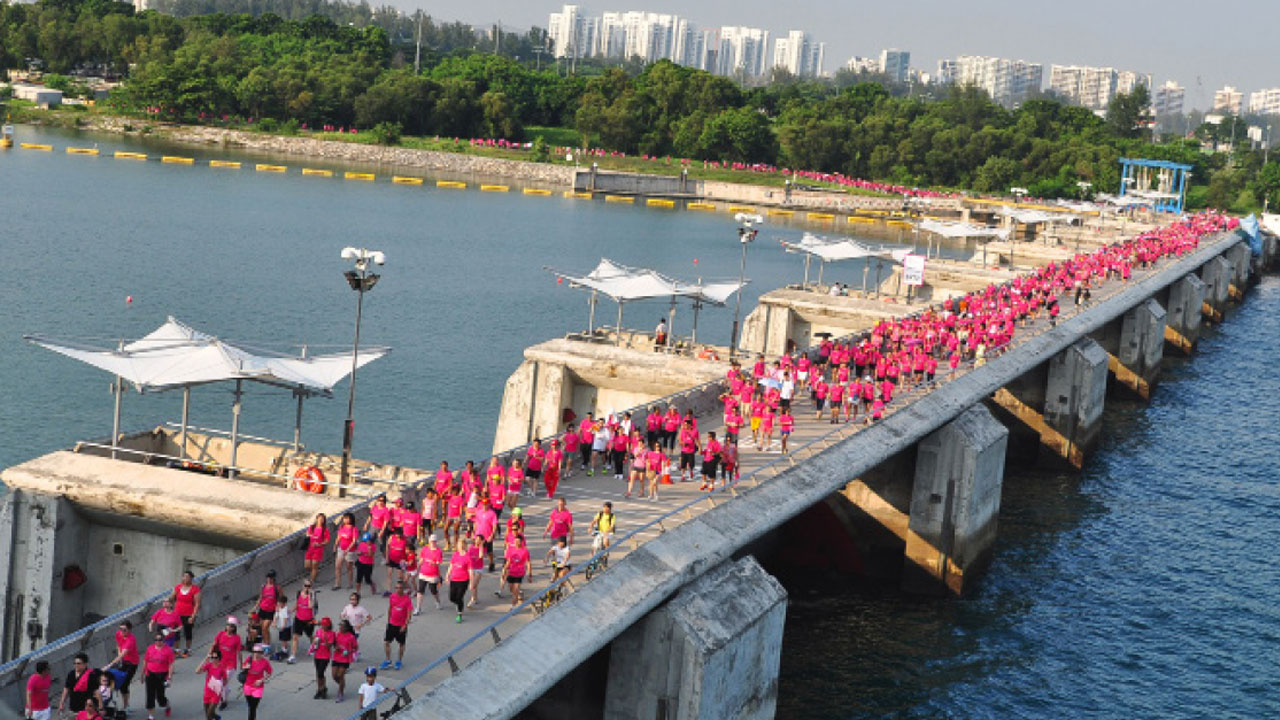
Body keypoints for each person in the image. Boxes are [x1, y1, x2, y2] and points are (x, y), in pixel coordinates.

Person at [103, 620, 139, 715]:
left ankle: (126, 706)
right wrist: (119, 655)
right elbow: (118, 646)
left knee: (124, 684)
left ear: (129, 630)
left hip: (132, 663)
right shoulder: (118, 634)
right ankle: (106, 702)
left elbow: (122, 655)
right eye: (121, 629)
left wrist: (109, 665)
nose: (122, 631)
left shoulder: (131, 640)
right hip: (123, 661)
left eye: (124, 630)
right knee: (113, 681)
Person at [169, 571, 202, 658]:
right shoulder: (178, 587)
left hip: (188, 614)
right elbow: (172, 598)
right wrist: (169, 601)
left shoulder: (195, 589)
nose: (185, 579)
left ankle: (188, 649)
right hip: (177, 613)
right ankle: (176, 650)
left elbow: (197, 604)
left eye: (187, 577)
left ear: (191, 578)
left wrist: (193, 616)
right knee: (176, 631)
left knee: (188, 632)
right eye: (184, 577)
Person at [381, 581, 412, 670]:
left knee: (401, 644)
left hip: (401, 625)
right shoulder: (392, 596)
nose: (398, 590)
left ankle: (399, 661)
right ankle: (388, 660)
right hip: (392, 624)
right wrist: (388, 620)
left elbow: (409, 613)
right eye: (396, 588)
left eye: (400, 588)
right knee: (387, 642)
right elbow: (390, 608)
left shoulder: (407, 599)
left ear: (403, 589)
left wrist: (405, 625)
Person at [211, 617, 242, 710]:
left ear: (234, 628)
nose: (229, 627)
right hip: (220, 663)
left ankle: (224, 701)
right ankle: (226, 691)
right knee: (217, 682)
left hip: (231, 665)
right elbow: (214, 645)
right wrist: (210, 655)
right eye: (228, 625)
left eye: (231, 626)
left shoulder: (237, 638)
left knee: (223, 682)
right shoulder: (220, 634)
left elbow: (239, 652)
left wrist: (241, 664)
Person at [141, 633, 174, 720]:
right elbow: (145, 661)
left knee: (160, 697)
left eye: (160, 640)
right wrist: (142, 674)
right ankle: (151, 717)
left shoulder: (168, 651)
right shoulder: (150, 648)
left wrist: (169, 677)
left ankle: (166, 705)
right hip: (150, 674)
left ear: (163, 640)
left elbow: (171, 664)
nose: (158, 642)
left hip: (162, 675)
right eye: (156, 640)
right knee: (150, 695)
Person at [241, 645, 272, 720]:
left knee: (253, 708)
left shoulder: (264, 662)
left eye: (259, 652)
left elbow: (269, 672)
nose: (256, 654)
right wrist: (245, 667)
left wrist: (261, 680)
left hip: (258, 687)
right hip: (247, 686)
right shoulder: (249, 659)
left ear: (262, 653)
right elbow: (242, 667)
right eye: (254, 652)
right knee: (250, 706)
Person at [289, 579, 317, 663]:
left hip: (308, 620)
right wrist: (291, 610)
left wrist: (311, 596)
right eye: (305, 586)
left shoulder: (312, 596)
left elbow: (310, 606)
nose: (307, 588)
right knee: (295, 637)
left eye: (309, 586)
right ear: (303, 586)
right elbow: (298, 604)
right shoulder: (299, 593)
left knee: (310, 635)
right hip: (298, 618)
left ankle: (314, 646)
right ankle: (293, 655)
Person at [415, 533, 444, 613]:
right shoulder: (425, 549)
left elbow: (439, 562)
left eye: (434, 541)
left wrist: (434, 564)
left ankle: (438, 601)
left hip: (433, 575)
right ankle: (418, 608)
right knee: (420, 590)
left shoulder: (438, 551)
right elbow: (421, 559)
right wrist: (417, 568)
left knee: (433, 591)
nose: (433, 543)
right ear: (429, 541)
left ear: (436, 542)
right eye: (431, 541)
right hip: (423, 573)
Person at [331, 620, 359, 704]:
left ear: (346, 628)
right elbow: (334, 643)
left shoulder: (351, 637)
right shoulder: (337, 634)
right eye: (340, 626)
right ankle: (342, 685)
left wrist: (348, 651)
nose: (340, 627)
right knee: (334, 676)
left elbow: (355, 648)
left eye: (342, 626)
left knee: (340, 675)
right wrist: (336, 647)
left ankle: (340, 693)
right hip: (336, 656)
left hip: (345, 658)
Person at [500, 533, 531, 606]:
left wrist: (530, 574)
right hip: (511, 572)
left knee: (516, 588)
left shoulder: (525, 551)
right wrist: (504, 571)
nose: (516, 543)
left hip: (520, 572)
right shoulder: (510, 550)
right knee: (511, 589)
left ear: (521, 542)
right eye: (515, 541)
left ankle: (514, 604)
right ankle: (518, 595)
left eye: (518, 541)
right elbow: (508, 562)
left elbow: (528, 563)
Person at [195, 649, 226, 720]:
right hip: (207, 692)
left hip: (216, 693)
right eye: (212, 658)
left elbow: (225, 680)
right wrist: (206, 658)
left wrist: (220, 687)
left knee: (209, 715)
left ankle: (214, 716)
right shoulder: (209, 665)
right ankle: (216, 717)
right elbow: (197, 671)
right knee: (209, 714)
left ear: (219, 658)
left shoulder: (222, 668)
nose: (214, 660)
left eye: (216, 658)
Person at [447, 540, 472, 623]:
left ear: (465, 546)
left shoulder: (468, 557)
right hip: (454, 579)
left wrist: (471, 582)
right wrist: (447, 575)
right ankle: (459, 604)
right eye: (458, 545)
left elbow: (470, 571)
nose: (460, 546)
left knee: (459, 597)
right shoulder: (455, 555)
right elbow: (451, 565)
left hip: (463, 580)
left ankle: (459, 614)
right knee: (452, 597)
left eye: (461, 545)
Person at [333, 512, 360, 590]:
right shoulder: (342, 527)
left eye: (348, 518)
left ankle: (350, 583)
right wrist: (335, 546)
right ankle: (337, 583)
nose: (346, 520)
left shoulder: (353, 529)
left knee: (349, 567)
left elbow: (354, 541)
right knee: (338, 566)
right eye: (345, 518)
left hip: (350, 550)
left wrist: (348, 549)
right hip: (341, 548)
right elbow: (338, 537)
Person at [254, 570, 280, 648]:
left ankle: (267, 644)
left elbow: (280, 600)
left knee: (265, 627)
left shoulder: (277, 588)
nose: (269, 579)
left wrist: (278, 610)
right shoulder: (263, 586)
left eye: (271, 577)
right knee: (263, 628)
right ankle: (266, 642)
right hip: (262, 609)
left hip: (271, 611)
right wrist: (255, 607)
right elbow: (261, 597)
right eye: (268, 577)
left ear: (273, 578)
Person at [304, 513, 331, 585]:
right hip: (310, 549)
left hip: (318, 549)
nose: (320, 520)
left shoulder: (325, 530)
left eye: (322, 519)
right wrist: (308, 536)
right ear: (316, 519)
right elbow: (308, 534)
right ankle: (315, 572)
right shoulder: (312, 527)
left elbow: (327, 541)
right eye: (319, 519)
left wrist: (320, 544)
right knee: (307, 566)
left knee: (314, 564)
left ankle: (311, 581)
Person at [311, 617, 335, 699]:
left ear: (328, 626)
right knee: (318, 673)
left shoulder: (331, 634)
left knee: (321, 672)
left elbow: (329, 646)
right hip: (317, 654)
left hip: (325, 656)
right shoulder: (318, 631)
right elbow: (314, 640)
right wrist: (314, 640)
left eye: (325, 625)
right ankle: (320, 689)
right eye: (322, 625)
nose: (323, 627)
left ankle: (323, 688)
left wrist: (325, 639)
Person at [271, 595, 291, 661]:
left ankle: (285, 651)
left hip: (286, 627)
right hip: (280, 626)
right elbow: (276, 616)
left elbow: (285, 619)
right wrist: (274, 622)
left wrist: (284, 626)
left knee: (284, 640)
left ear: (284, 603)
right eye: (278, 603)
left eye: (280, 603)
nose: (279, 604)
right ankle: (283, 650)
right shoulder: (278, 608)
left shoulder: (285, 609)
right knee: (282, 639)